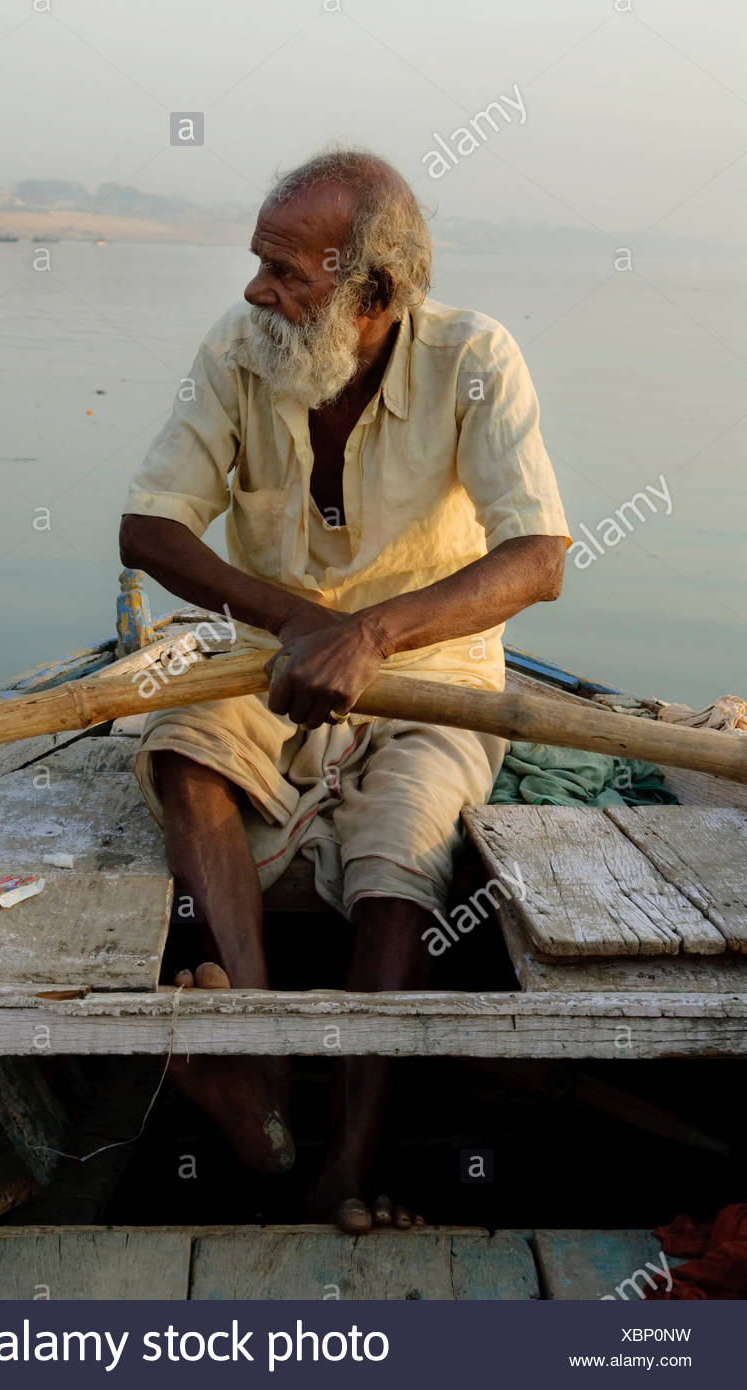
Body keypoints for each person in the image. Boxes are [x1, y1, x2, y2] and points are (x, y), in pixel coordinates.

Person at [119, 147, 571, 1233]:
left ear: (372, 294)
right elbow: (150, 527)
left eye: (287, 274)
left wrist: (371, 634)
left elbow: (538, 558)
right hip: (265, 655)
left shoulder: (477, 356)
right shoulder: (240, 348)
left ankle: (342, 1168)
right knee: (186, 753)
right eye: (257, 265)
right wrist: (299, 623)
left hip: (435, 675)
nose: (255, 292)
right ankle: (263, 1075)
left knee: (403, 851)